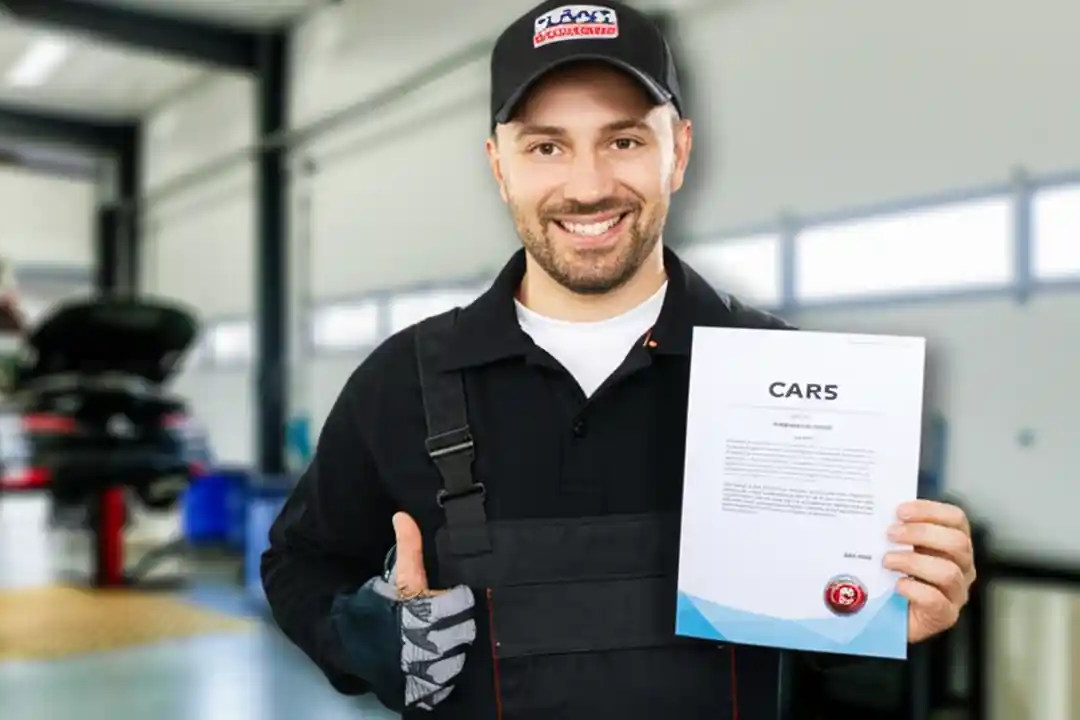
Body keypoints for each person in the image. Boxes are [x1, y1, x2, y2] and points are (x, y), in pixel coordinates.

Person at [261, 1, 978, 717]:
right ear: (498, 165)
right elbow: (298, 562)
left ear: (681, 151)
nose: (589, 186)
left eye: (625, 141)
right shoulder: (403, 381)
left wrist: (895, 604)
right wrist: (363, 637)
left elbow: (822, 615)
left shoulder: (787, 381)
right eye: (546, 147)